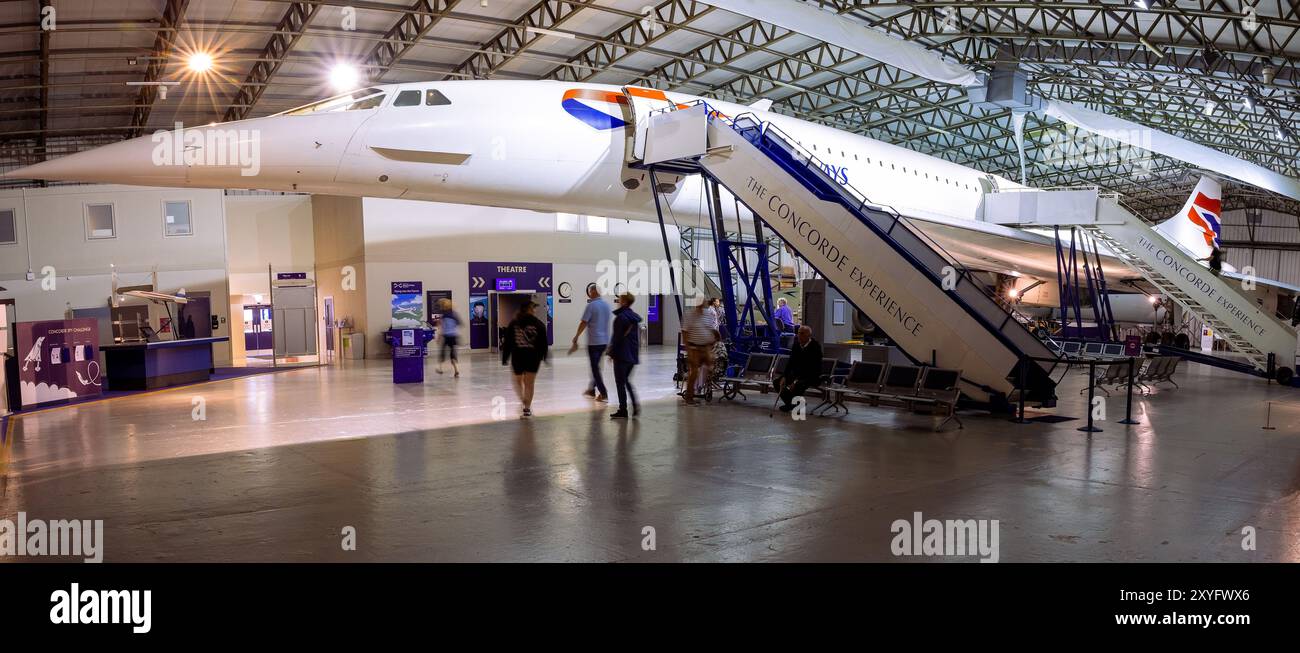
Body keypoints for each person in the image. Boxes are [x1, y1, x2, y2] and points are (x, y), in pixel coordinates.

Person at [501, 301, 549, 418]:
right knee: (528, 383)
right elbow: (544, 343)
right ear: (528, 309)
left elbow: (508, 342)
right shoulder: (538, 324)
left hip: (519, 357)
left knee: (520, 381)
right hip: (532, 357)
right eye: (533, 308)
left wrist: (505, 357)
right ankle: (526, 405)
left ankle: (525, 403)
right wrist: (544, 356)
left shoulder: (515, 323)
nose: (534, 310)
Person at [570, 283, 612, 402]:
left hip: (594, 343)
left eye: (590, 291)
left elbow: (584, 322)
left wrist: (576, 336)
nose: (589, 293)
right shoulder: (607, 306)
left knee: (595, 369)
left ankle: (603, 393)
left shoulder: (591, 306)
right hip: (604, 342)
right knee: (596, 367)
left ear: (594, 292)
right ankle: (592, 390)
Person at [607, 293, 642, 419]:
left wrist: (611, 354)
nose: (618, 301)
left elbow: (617, 339)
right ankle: (635, 404)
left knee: (620, 383)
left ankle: (623, 410)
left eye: (619, 299)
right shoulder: (634, 317)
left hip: (621, 355)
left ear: (624, 302)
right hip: (632, 356)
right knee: (626, 381)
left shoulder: (620, 318)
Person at [680, 299, 720, 406]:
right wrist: (687, 348)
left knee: (711, 366)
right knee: (694, 373)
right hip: (694, 348)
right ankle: (689, 397)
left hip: (706, 347)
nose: (702, 306)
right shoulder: (689, 315)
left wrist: (715, 338)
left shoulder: (708, 314)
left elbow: (711, 328)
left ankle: (705, 387)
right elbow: (685, 332)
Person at [777, 326, 824, 412]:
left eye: (802, 333)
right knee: (777, 382)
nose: (799, 335)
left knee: (798, 385)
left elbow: (811, 367)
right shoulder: (796, 345)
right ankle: (791, 403)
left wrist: (795, 381)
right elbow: (790, 363)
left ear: (808, 336)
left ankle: (795, 404)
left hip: (811, 375)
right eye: (798, 333)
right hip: (797, 374)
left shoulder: (815, 347)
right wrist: (784, 376)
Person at [435, 298, 461, 377]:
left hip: (446, 336)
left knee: (442, 352)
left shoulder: (444, 315)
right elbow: (459, 323)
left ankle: (439, 368)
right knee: (453, 354)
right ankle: (456, 370)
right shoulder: (454, 314)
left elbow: (441, 327)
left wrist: (439, 337)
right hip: (454, 336)